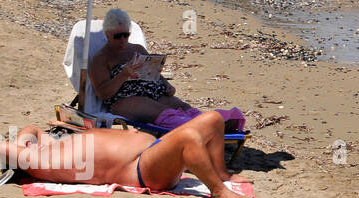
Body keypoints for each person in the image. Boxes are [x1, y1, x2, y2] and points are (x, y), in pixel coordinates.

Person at [0, 114, 252, 198]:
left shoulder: (53, 145)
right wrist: (22, 149)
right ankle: (218, 191)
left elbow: (33, 128)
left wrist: (28, 138)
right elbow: (3, 149)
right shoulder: (48, 163)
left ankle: (222, 175)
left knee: (214, 120)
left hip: (151, 149)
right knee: (188, 137)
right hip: (142, 169)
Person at [87, 9, 244, 131]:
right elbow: (103, 93)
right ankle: (202, 128)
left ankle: (211, 122)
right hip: (124, 101)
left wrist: (165, 83)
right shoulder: (101, 59)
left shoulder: (137, 49)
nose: (122, 40)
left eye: (125, 35)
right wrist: (123, 75)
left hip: (153, 93)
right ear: (107, 34)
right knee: (167, 114)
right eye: (117, 36)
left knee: (185, 109)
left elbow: (153, 73)